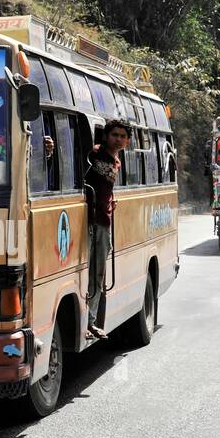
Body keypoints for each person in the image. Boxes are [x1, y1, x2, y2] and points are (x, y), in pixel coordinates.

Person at [82, 120, 130, 339]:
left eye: (122, 136)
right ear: (106, 136)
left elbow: (104, 189)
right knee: (90, 272)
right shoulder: (94, 155)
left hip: (104, 220)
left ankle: (90, 322)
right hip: (90, 221)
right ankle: (87, 322)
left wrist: (111, 201)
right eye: (114, 135)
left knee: (98, 272)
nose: (118, 139)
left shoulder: (116, 161)